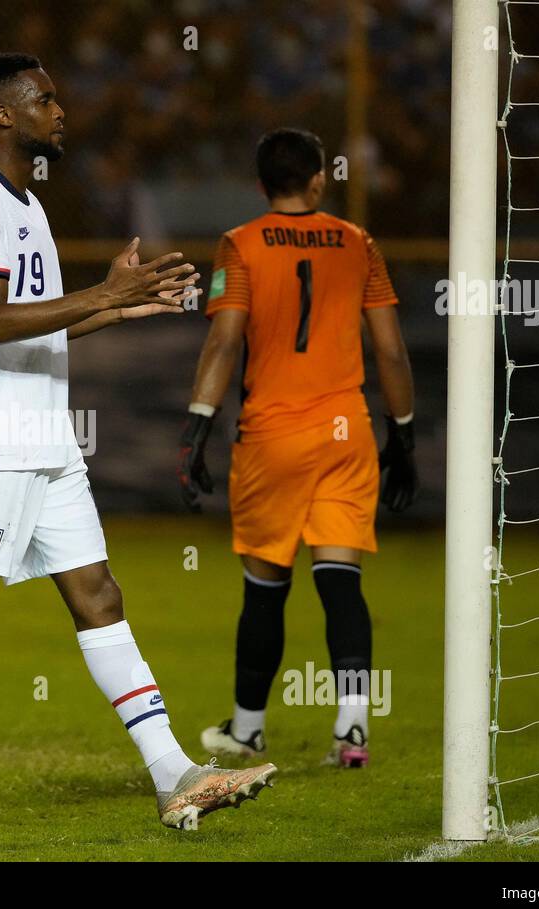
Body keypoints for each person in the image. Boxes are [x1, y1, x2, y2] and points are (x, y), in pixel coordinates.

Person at [0, 53, 276, 838]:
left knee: (98, 594)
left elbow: (40, 314)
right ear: (3, 115)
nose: (59, 111)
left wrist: (116, 310)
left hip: (46, 435)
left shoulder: (26, 203)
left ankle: (175, 775)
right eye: (44, 98)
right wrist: (106, 293)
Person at [178, 128, 417, 769]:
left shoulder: (240, 243)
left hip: (275, 434)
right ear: (318, 179)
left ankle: (249, 730)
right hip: (346, 429)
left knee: (265, 589)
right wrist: (406, 433)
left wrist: (198, 426)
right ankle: (353, 729)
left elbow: (225, 343)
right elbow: (390, 349)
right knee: (341, 584)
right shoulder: (357, 243)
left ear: (260, 185)